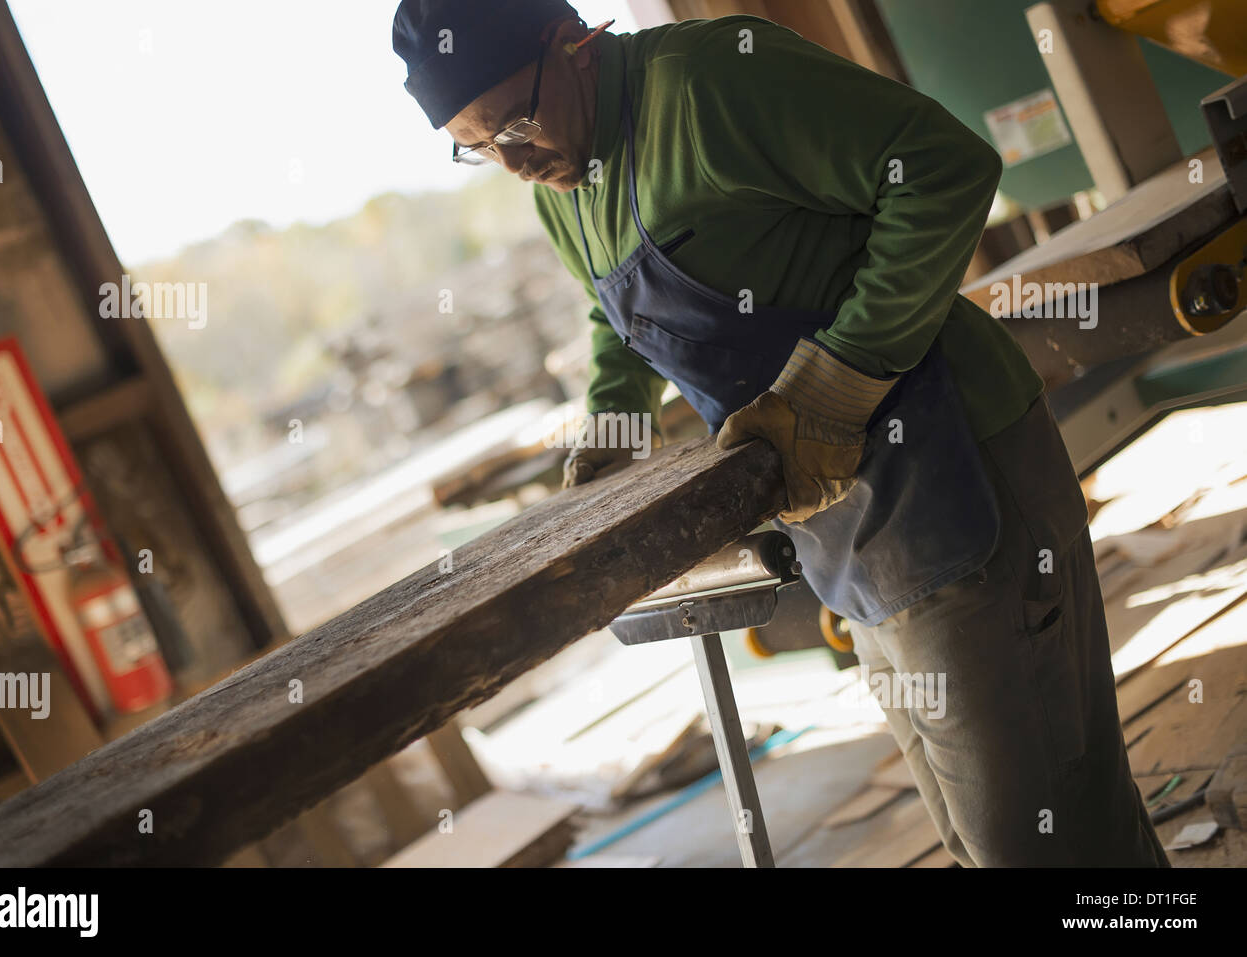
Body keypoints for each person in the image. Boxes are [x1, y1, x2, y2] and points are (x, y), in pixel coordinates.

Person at [393, 0, 1169, 866]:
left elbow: (944, 170)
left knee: (1039, 842)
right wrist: (613, 424)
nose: (515, 160)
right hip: (844, 529)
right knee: (1006, 832)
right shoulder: (562, 185)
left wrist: (837, 381)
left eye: (517, 123)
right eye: (478, 145)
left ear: (574, 46)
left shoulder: (712, 81)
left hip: (960, 474)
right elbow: (612, 313)